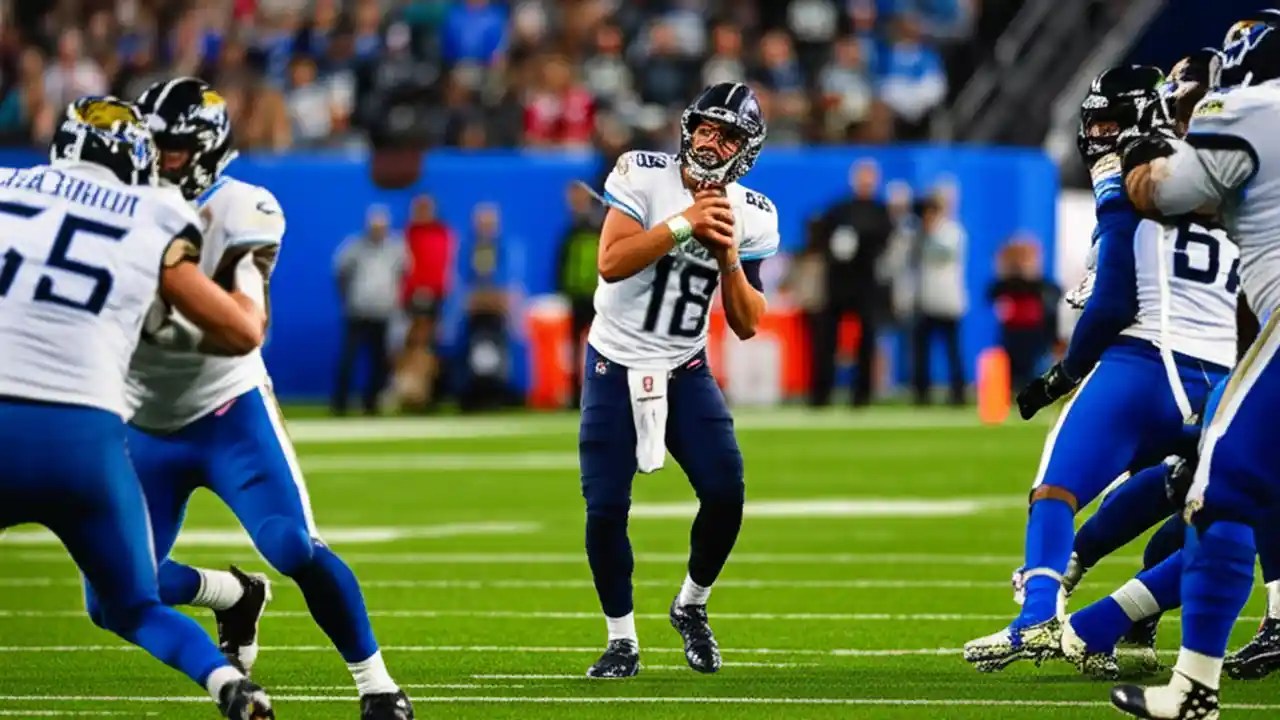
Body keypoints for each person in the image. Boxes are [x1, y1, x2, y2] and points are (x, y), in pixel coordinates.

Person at [113, 78, 413, 719]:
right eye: (149, 144)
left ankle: (379, 686)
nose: (156, 158)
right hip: (143, 421)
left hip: (227, 410)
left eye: (169, 147)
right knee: (114, 591)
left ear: (206, 149)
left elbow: (251, 324)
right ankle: (231, 595)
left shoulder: (242, 206)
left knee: (291, 545)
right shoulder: (116, 206)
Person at [0, 96, 272, 718]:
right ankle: (227, 684)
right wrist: (252, 277)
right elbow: (240, 332)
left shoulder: (6, 185)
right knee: (132, 602)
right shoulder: (157, 212)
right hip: (84, 435)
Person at [962, 64, 1238, 678]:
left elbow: (1115, 297)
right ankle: (1113, 623)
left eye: (1110, 122)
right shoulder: (1243, 168)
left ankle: (1038, 613)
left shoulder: (1138, 168)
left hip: (1146, 357)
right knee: (1215, 519)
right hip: (1230, 375)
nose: (1099, 136)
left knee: (1055, 490)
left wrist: (1063, 375)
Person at [1109, 18, 1280, 717]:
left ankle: (1193, 689)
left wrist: (1139, 152)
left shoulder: (1247, 108)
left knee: (1224, 488)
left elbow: (1161, 194)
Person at [584, 82, 778, 678]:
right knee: (606, 508)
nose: (709, 141)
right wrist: (683, 224)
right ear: (688, 127)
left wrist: (725, 257)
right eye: (705, 128)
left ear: (745, 150)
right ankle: (621, 640)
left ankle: (691, 605)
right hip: (613, 363)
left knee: (726, 491)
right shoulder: (643, 175)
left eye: (727, 135)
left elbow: (748, 323)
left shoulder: (753, 212)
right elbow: (611, 262)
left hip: (685, 365)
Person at [810, 159, 893, 406]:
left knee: (866, 340)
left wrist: (862, 247)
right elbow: (818, 235)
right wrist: (834, 249)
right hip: (838, 283)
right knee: (827, 340)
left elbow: (885, 242)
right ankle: (821, 394)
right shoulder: (839, 209)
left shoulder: (880, 211)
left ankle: (862, 395)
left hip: (865, 284)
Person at [332, 204, 407, 416]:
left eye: (381, 226)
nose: (377, 230)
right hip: (358, 312)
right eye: (374, 226)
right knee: (349, 358)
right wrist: (349, 300)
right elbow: (340, 274)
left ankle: (371, 402)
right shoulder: (354, 247)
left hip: (383, 313)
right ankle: (341, 402)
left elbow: (404, 273)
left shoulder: (396, 248)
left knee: (380, 361)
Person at [910, 192, 968, 405]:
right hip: (925, 301)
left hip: (949, 302)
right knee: (921, 352)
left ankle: (958, 393)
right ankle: (921, 393)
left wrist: (928, 231)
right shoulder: (917, 234)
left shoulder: (952, 231)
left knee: (952, 350)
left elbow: (943, 251)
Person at [397, 194, 453, 411]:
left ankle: (427, 394)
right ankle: (409, 394)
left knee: (429, 347)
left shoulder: (442, 234)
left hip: (435, 297)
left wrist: (434, 291)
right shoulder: (407, 234)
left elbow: (441, 266)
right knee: (410, 346)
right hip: (410, 299)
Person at [987, 236, 1059, 393]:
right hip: (1011, 332)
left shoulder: (1041, 285)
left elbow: (1053, 298)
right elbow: (991, 294)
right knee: (1012, 368)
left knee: (1032, 368)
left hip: (1035, 333)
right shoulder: (1006, 284)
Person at [557, 181, 601, 408]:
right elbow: (563, 263)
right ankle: (577, 394)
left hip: (596, 294)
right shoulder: (572, 228)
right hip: (578, 294)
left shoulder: (593, 225)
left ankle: (597, 390)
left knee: (599, 347)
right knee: (577, 348)